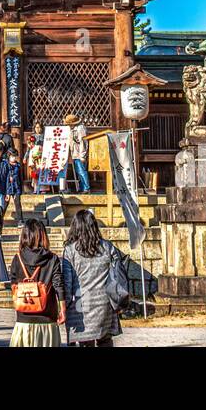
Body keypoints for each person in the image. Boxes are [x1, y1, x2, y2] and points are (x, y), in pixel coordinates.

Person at [61, 209, 124, 347]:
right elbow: (117, 275)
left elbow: (67, 284)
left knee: (84, 340)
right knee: (105, 340)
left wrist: (63, 306)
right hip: (104, 303)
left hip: (80, 304)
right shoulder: (108, 247)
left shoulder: (70, 251)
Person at [8, 218, 65, 347]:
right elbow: (58, 285)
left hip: (23, 318)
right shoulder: (52, 258)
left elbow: (13, 284)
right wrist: (63, 310)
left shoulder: (18, 258)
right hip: (47, 317)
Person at [63, 114, 90, 194]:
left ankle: (86, 188)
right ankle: (82, 188)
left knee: (82, 171)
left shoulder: (80, 129)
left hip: (79, 154)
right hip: (75, 153)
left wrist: (82, 155)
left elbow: (83, 142)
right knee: (79, 171)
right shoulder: (73, 129)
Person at [1, 150, 24, 223]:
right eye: (12, 156)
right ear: (9, 156)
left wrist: (21, 189)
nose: (14, 158)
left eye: (15, 156)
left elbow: (20, 178)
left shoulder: (18, 165)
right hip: (7, 187)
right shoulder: (5, 164)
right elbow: (3, 177)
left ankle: (20, 220)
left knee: (18, 204)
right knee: (4, 205)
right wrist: (6, 191)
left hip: (16, 187)